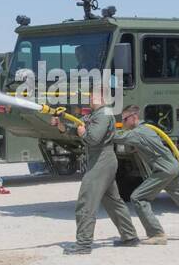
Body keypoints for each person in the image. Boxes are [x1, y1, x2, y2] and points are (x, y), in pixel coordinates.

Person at [114, 105, 179, 244]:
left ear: (134, 117)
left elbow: (117, 137)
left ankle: (156, 234)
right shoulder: (147, 130)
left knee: (138, 198)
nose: (122, 123)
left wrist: (92, 130)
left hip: (164, 170)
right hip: (173, 168)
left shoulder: (137, 133)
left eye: (124, 120)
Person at [53, 92, 139, 254]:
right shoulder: (96, 114)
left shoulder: (104, 115)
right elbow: (77, 128)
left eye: (93, 97)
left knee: (86, 201)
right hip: (102, 161)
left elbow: (93, 138)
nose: (90, 99)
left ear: (103, 98)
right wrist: (61, 125)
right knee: (113, 201)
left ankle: (83, 244)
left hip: (101, 161)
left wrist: (82, 133)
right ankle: (129, 236)